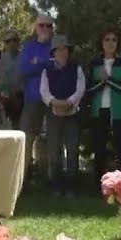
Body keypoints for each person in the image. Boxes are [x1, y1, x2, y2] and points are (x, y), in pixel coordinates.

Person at [39, 35, 85, 196]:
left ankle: (72, 186)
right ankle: (56, 186)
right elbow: (44, 91)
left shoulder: (76, 68)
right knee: (54, 151)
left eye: (65, 49)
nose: (63, 52)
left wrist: (69, 103)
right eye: (59, 50)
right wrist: (54, 103)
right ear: (54, 52)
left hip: (72, 114)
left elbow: (80, 89)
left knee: (72, 150)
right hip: (54, 114)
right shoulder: (48, 70)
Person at [85, 27, 121, 176]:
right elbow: (88, 89)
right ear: (101, 42)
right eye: (107, 39)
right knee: (99, 148)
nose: (110, 43)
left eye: (114, 40)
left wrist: (109, 81)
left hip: (120, 112)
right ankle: (100, 184)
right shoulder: (94, 63)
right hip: (99, 111)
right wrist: (101, 83)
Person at [18, 14, 55, 173]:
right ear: (35, 27)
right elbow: (23, 70)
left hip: (53, 99)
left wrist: (37, 62)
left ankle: (48, 178)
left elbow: (56, 68)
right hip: (32, 98)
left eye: (49, 26)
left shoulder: (55, 46)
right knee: (27, 139)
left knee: (49, 141)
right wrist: (45, 63)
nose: (45, 29)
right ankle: (22, 181)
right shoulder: (28, 47)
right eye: (42, 25)